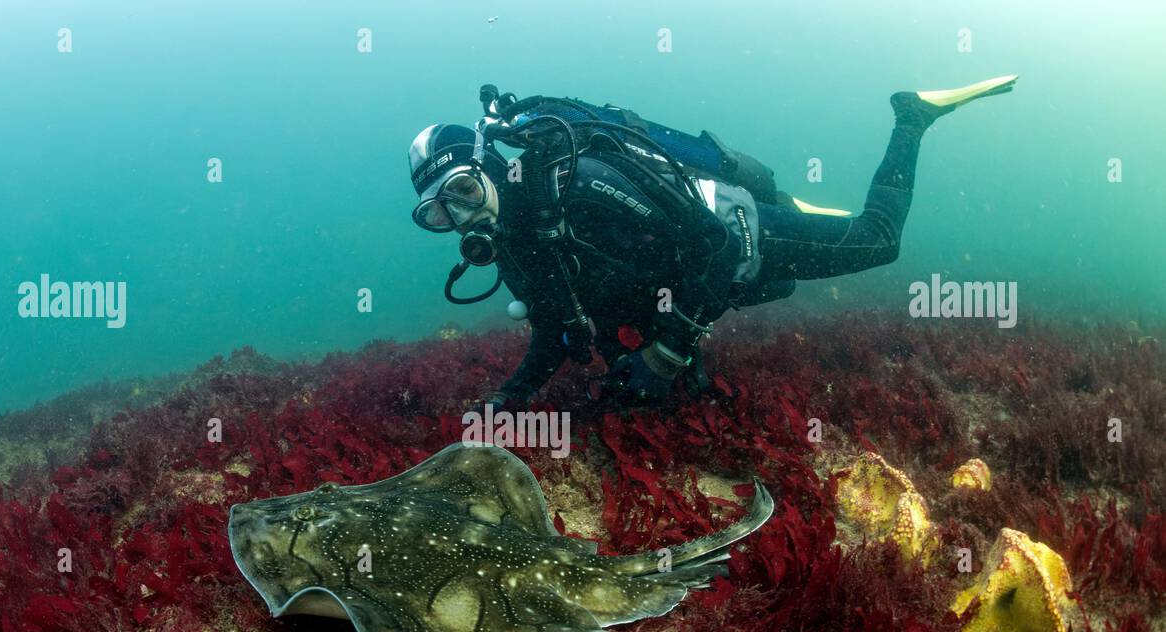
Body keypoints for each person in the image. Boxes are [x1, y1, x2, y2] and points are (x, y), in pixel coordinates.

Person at [409, 77, 1017, 410]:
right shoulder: (514, 244)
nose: (459, 216)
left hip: (735, 231)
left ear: (487, 164)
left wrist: (664, 356)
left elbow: (720, 246)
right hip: (679, 277)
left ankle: (911, 115)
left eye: (461, 190)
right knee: (774, 289)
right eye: (438, 213)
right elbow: (553, 323)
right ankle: (795, 217)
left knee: (876, 243)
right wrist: (510, 398)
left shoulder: (580, 183)